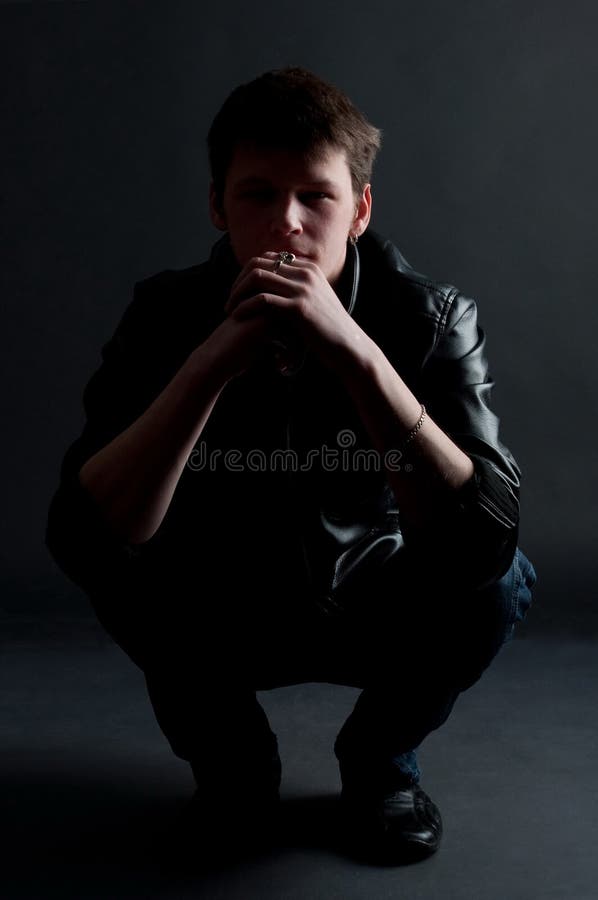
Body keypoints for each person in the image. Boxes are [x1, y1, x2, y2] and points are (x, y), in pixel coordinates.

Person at [45, 66, 537, 865]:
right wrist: (209, 364)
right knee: (119, 562)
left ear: (360, 211)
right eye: (257, 194)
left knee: (500, 579)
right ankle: (234, 768)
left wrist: (356, 354)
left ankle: (379, 765)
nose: (287, 224)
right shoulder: (165, 312)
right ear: (217, 206)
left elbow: (484, 540)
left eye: (317, 196)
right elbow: (85, 538)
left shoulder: (432, 317)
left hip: (375, 597)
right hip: (220, 605)